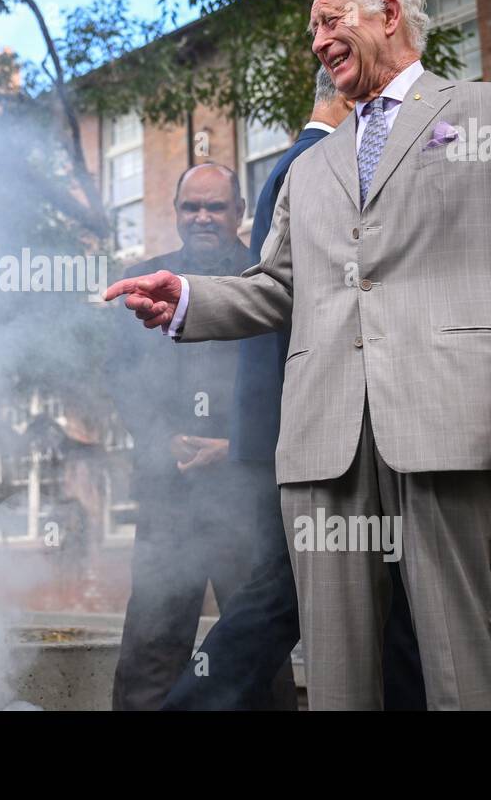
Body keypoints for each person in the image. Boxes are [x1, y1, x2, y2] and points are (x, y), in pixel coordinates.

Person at [106, 0, 491, 709]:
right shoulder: (310, 168)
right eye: (313, 31)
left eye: (330, 22)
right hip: (322, 439)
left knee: (457, 662)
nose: (318, 42)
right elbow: (278, 288)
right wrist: (188, 300)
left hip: (446, 419)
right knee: (334, 673)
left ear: (389, 12)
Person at [165, 67, 427, 710]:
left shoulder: (297, 164)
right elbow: (293, 314)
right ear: (349, 96)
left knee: (381, 604)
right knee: (280, 599)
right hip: (315, 441)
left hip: (315, 438)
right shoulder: (316, 165)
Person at [109, 164, 294, 710]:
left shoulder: (270, 282)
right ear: (177, 214)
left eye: (215, 207)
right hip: (169, 495)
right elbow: (118, 379)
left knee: (255, 644)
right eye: (192, 207)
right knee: (151, 641)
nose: (203, 217)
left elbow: (295, 376)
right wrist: (160, 437)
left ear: (239, 212)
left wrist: (238, 447)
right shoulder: (145, 281)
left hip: (248, 497)